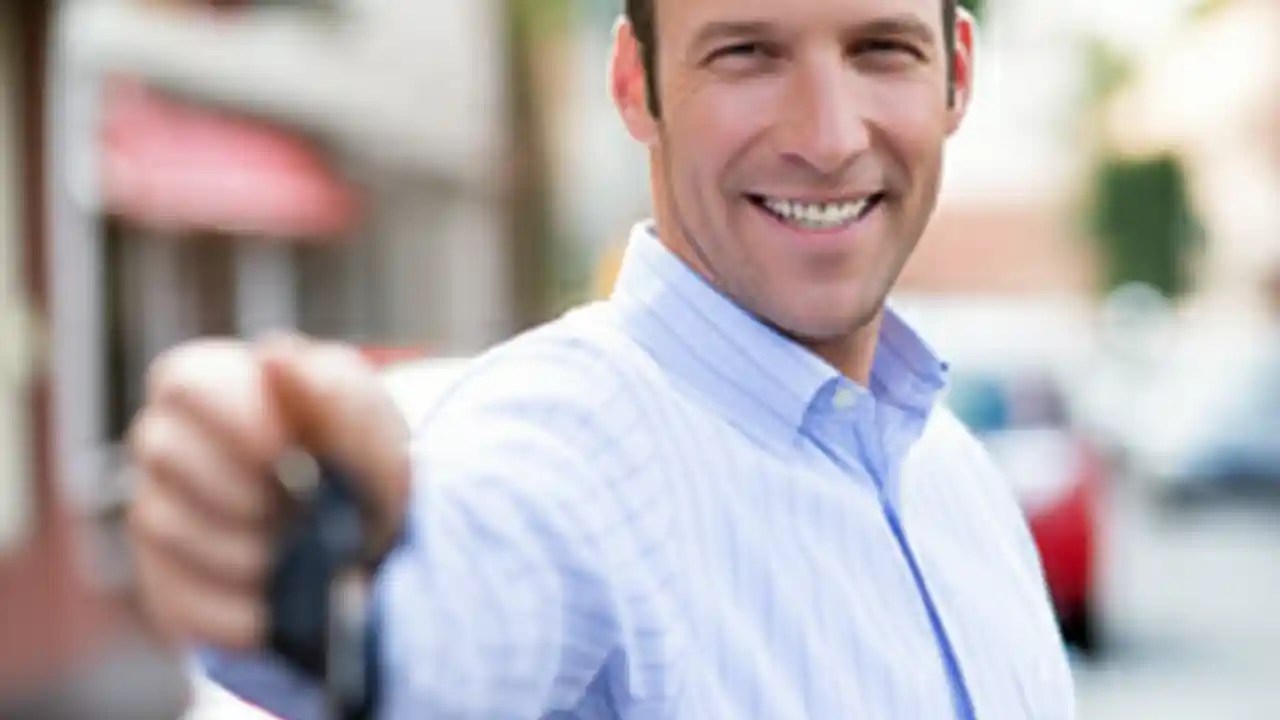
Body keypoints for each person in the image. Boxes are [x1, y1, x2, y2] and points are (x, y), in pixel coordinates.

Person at [126, 0, 1076, 717]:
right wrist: (322, 570)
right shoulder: (576, 438)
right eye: (748, 53)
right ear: (635, 83)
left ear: (954, 73)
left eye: (880, 49)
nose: (828, 139)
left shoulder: (958, 479)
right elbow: (453, 602)